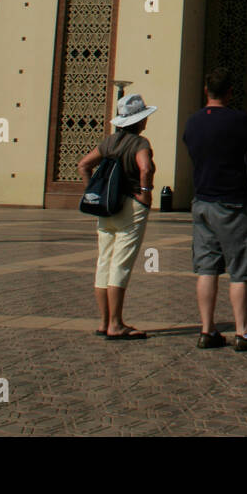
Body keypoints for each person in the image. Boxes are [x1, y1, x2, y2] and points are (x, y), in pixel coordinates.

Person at [183, 68, 247, 351]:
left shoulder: (193, 123)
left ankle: (207, 330)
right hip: (234, 203)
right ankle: (243, 333)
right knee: (239, 270)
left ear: (206, 91)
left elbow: (191, 148)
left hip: (202, 203)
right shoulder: (239, 120)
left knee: (207, 269)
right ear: (230, 92)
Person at [77, 93, 157, 340]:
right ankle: (116, 324)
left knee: (104, 262)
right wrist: (145, 193)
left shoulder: (109, 142)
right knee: (120, 265)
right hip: (130, 208)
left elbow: (83, 164)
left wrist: (93, 191)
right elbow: (144, 168)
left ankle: (103, 322)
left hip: (107, 209)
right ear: (139, 120)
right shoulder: (140, 144)